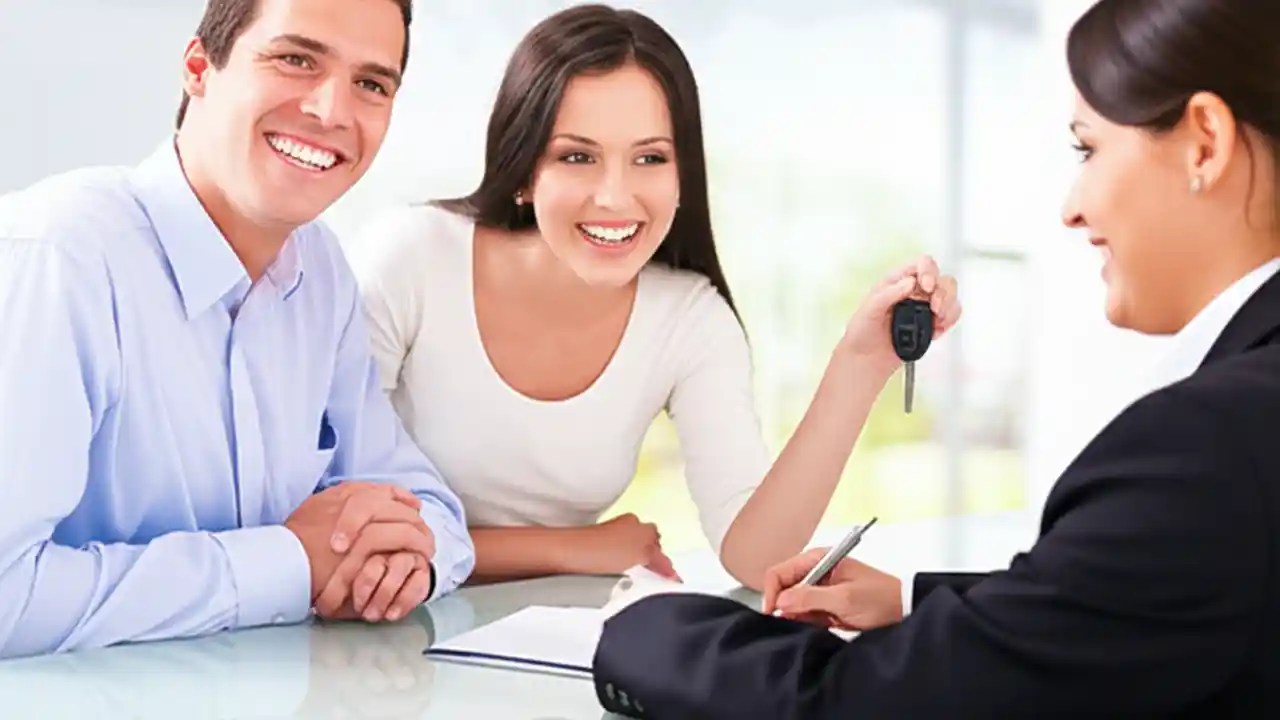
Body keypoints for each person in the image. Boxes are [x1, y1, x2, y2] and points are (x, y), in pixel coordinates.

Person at [591, 0, 1280, 716]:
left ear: (1204, 143)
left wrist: (643, 624)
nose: (1071, 208)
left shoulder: (1212, 442)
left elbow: (866, 703)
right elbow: (1167, 590)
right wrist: (918, 600)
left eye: (1088, 148)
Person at [343, 3, 961, 591]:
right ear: (526, 171)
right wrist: (573, 548)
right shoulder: (413, 257)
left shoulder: (688, 318)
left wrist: (859, 365)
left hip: (540, 641)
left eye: (649, 158)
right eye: (578, 156)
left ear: (681, 176)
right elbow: (338, 514)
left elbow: (756, 557)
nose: (615, 197)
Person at [0, 0, 475, 660]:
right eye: (295, 59)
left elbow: (430, 510)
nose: (332, 110)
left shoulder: (322, 272)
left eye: (371, 83)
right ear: (199, 67)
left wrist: (401, 565)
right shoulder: (60, 256)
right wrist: (289, 564)